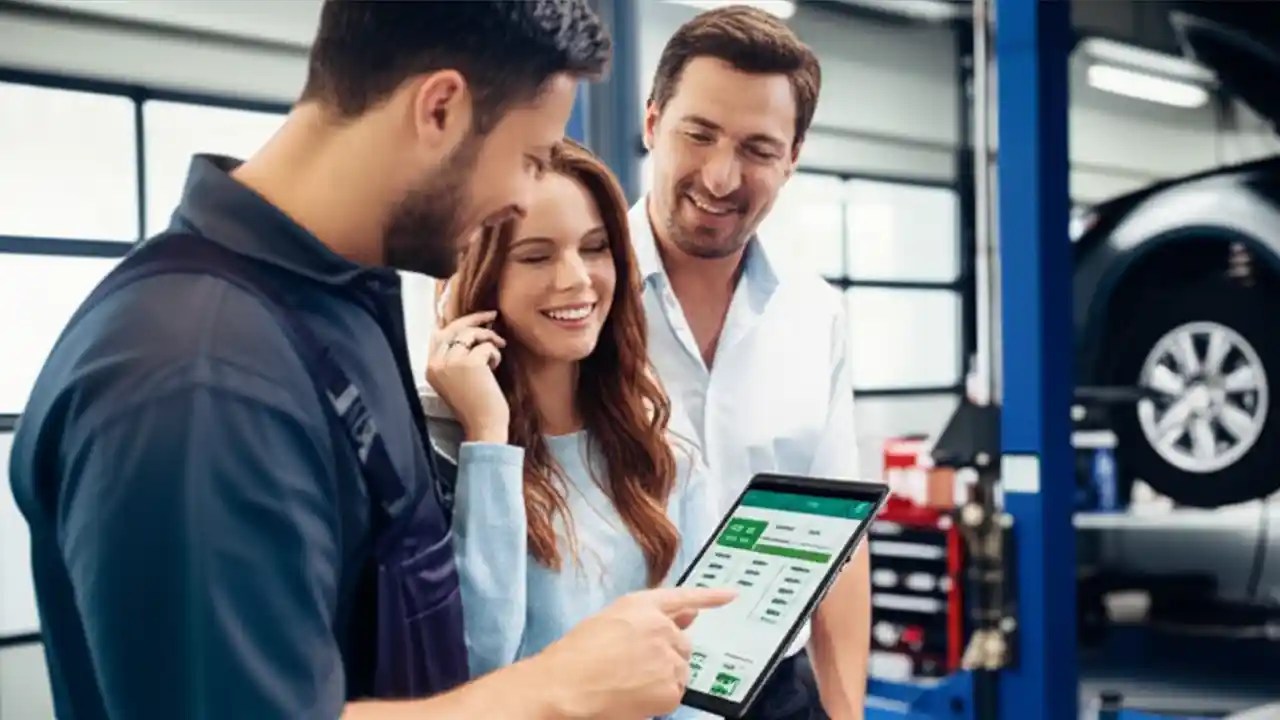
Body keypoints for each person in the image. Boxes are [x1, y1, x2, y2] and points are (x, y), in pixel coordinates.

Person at [8, 2, 731, 719]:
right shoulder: (200, 375)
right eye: (529, 160)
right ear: (440, 108)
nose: (522, 199)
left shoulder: (341, 306)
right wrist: (557, 687)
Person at [422, 138, 721, 718]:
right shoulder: (433, 447)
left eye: (595, 248)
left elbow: (696, 672)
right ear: (477, 273)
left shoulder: (660, 447)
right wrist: (489, 435)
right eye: (536, 256)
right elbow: (476, 668)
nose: (577, 280)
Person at [632, 6, 873, 719]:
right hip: (616, 690)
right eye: (697, 134)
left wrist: (846, 712)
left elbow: (841, 543)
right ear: (651, 123)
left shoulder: (815, 314)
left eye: (759, 149)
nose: (720, 175)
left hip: (775, 691)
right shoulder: (570, 291)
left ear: (792, 159)